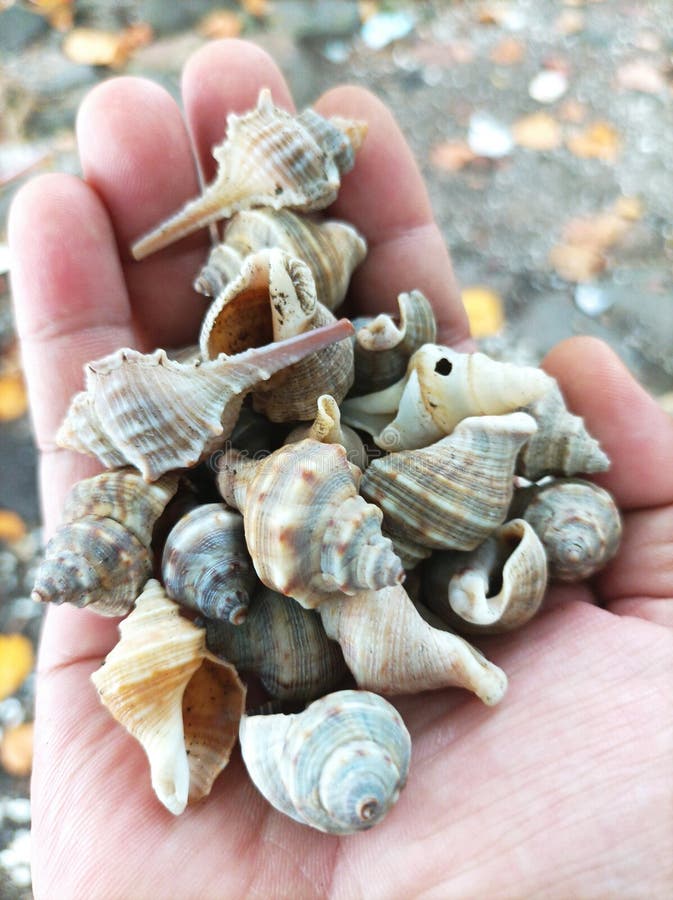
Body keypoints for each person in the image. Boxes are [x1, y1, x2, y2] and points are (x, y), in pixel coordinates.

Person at [8, 39, 673, 898]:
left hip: (316, 507)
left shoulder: (332, 511)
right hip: (289, 502)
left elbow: (329, 435)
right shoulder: (265, 513)